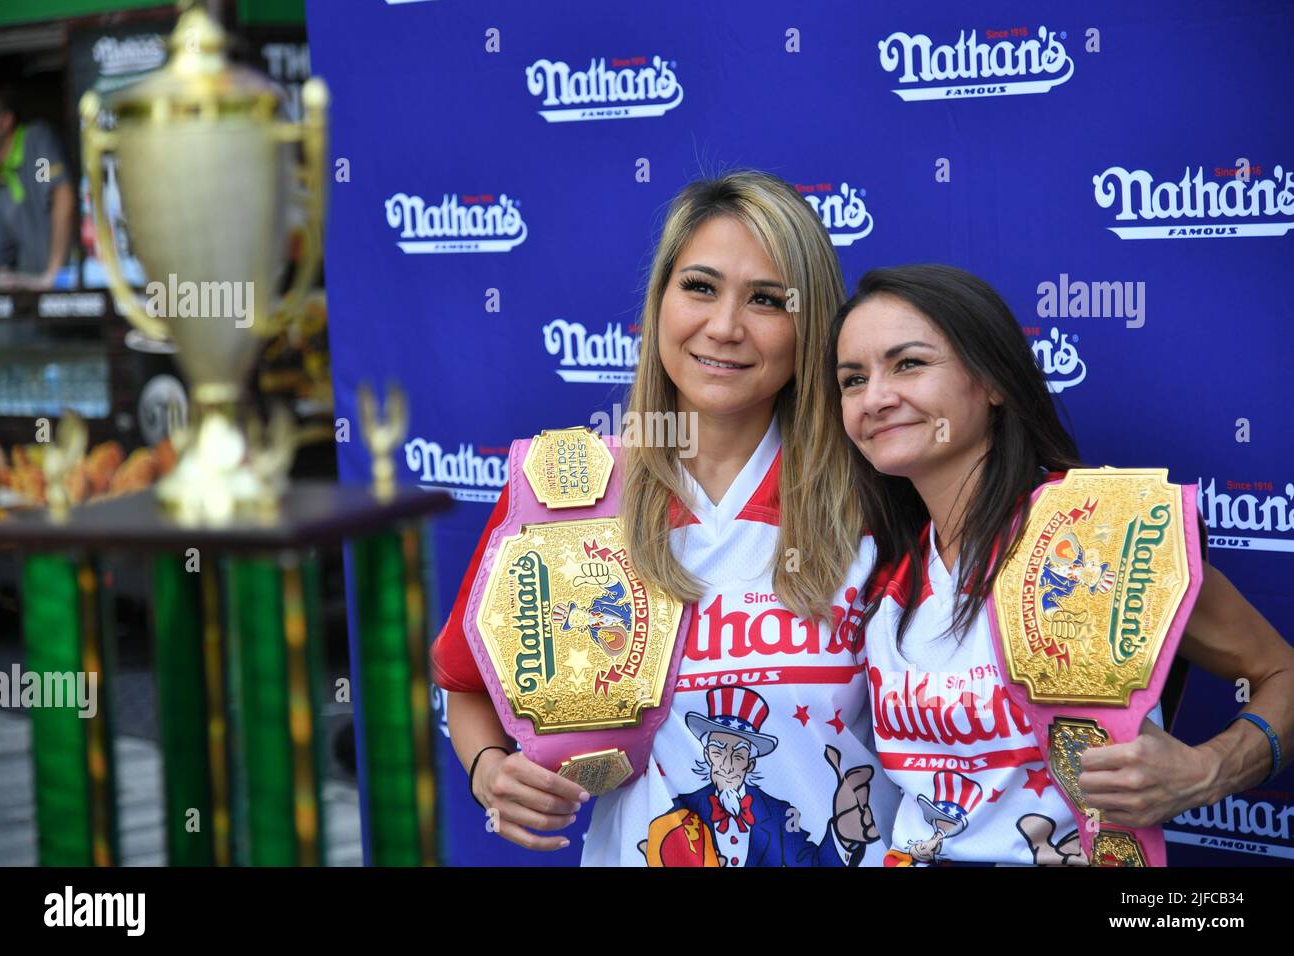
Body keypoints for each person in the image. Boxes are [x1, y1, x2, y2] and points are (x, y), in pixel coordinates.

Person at [431, 170, 899, 866]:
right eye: (700, 287)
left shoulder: (876, 495)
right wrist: (489, 773)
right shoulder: (572, 494)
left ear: (811, 328)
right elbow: (465, 681)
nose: (724, 327)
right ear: (658, 303)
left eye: (767, 300)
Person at [830, 263, 1294, 865]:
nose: (876, 397)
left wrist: (1208, 770)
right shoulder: (878, 569)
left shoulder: (1103, 533)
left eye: (909, 363)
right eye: (851, 379)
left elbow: (1281, 673)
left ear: (993, 380)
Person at [0, 86, 75, 290]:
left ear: (5, 121)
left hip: (66, 280)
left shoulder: (35, 143)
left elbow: (61, 196)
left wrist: (53, 273)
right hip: (26, 287)